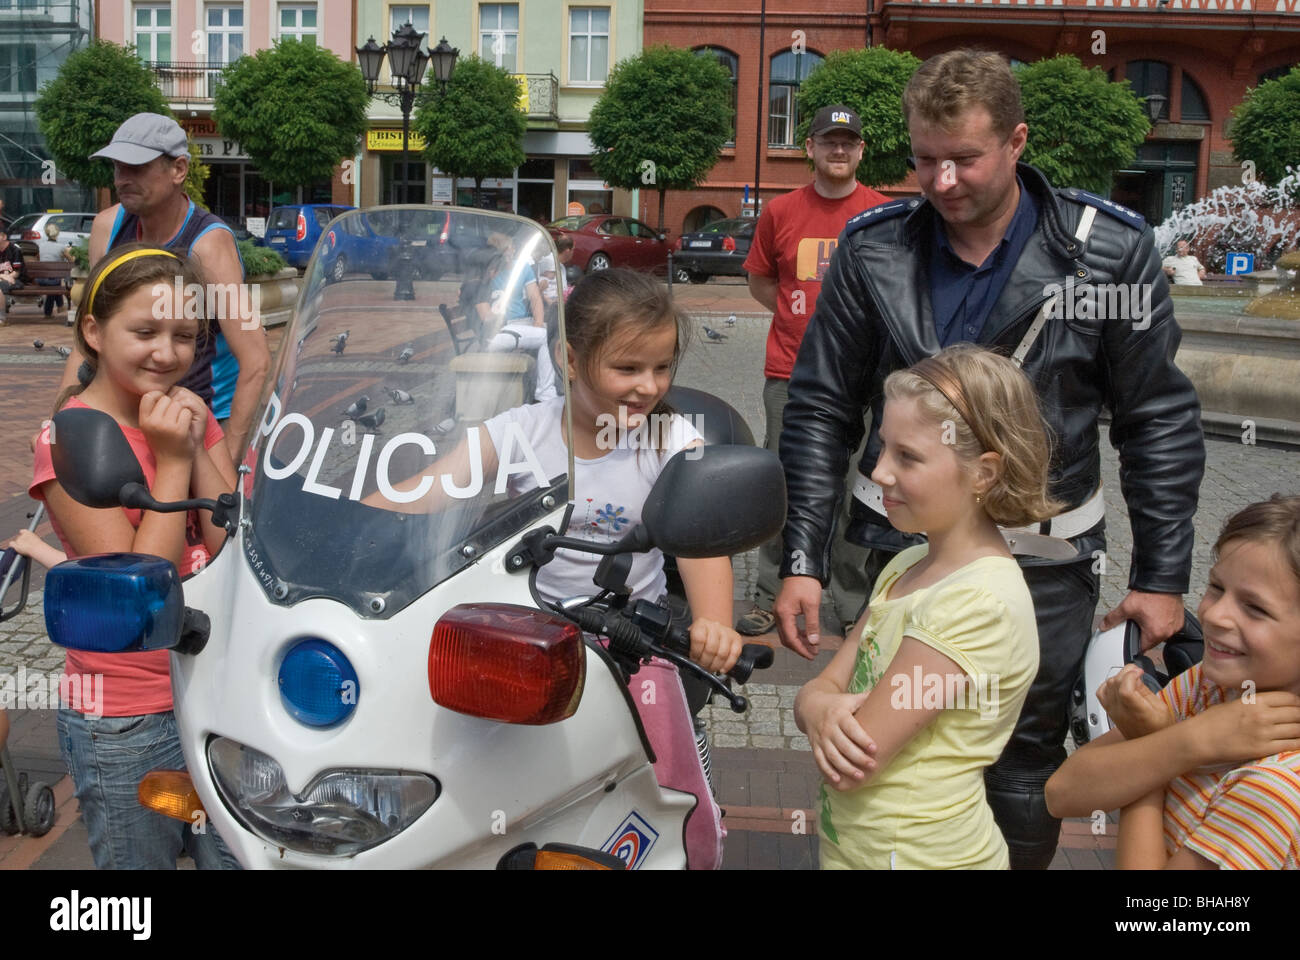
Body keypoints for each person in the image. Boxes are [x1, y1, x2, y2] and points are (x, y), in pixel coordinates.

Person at [773, 49, 1206, 869]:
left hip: (1045, 559)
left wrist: (1161, 578)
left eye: (964, 159)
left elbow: (1155, 417)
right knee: (888, 738)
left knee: (1022, 766)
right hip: (901, 547)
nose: (939, 182)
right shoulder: (874, 250)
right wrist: (800, 556)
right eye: (924, 158)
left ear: (1016, 141)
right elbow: (821, 405)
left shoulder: (1105, 253)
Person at [367, 268, 744, 869]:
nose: (649, 387)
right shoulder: (524, 432)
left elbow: (700, 541)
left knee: (667, 785)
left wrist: (716, 622)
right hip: (525, 647)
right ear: (571, 359)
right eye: (629, 368)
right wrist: (339, 520)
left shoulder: (670, 442)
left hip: (629, 648)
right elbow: (426, 490)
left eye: (662, 367)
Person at [797, 345, 1057, 869]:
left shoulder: (977, 601)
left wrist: (820, 709)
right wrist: (816, 707)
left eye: (907, 456)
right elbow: (821, 689)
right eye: (883, 448)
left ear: (984, 472)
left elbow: (856, 760)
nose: (880, 472)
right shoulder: (908, 564)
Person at [29, 244, 240, 870]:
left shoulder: (187, 416)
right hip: (129, 712)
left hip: (215, 690)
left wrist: (197, 442)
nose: (166, 352)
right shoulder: (69, 441)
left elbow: (232, 546)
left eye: (184, 335)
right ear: (94, 330)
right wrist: (173, 460)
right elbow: (137, 598)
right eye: (144, 331)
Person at [1046, 495, 1300, 869]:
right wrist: (1189, 741)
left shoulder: (1275, 789)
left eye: (1255, 608)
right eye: (1216, 587)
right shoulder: (1212, 685)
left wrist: (1155, 742)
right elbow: (1062, 793)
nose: (1215, 614)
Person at [738, 105, 890, 639]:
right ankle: (767, 591)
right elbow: (763, 283)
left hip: (863, 378)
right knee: (784, 484)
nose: (839, 150)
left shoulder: (880, 214)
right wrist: (802, 315)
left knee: (858, 491)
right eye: (829, 141)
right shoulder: (780, 212)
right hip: (791, 374)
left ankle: (850, 597)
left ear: (862, 150)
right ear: (810, 148)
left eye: (849, 142)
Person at [51, 113, 268, 460]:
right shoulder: (108, 228)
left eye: (136, 168)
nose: (123, 179)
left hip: (199, 418)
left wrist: (227, 455)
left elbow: (255, 359)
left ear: (178, 170)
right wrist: (58, 427)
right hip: (127, 414)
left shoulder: (207, 245)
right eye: (118, 168)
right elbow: (90, 337)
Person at [480, 229, 557, 401]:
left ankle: (547, 388)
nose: (509, 253)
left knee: (551, 331)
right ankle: (545, 393)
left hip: (521, 325)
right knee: (546, 337)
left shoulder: (521, 268)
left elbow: (534, 296)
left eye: (510, 248)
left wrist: (537, 322)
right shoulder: (485, 276)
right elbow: (486, 320)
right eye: (503, 251)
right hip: (501, 331)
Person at [0, 229, 27, 323]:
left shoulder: (15, 249)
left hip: (17, 280)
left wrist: (5, 277)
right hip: (5, 278)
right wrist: (4, 276)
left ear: (4, 237)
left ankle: (1, 319)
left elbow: (17, 273)